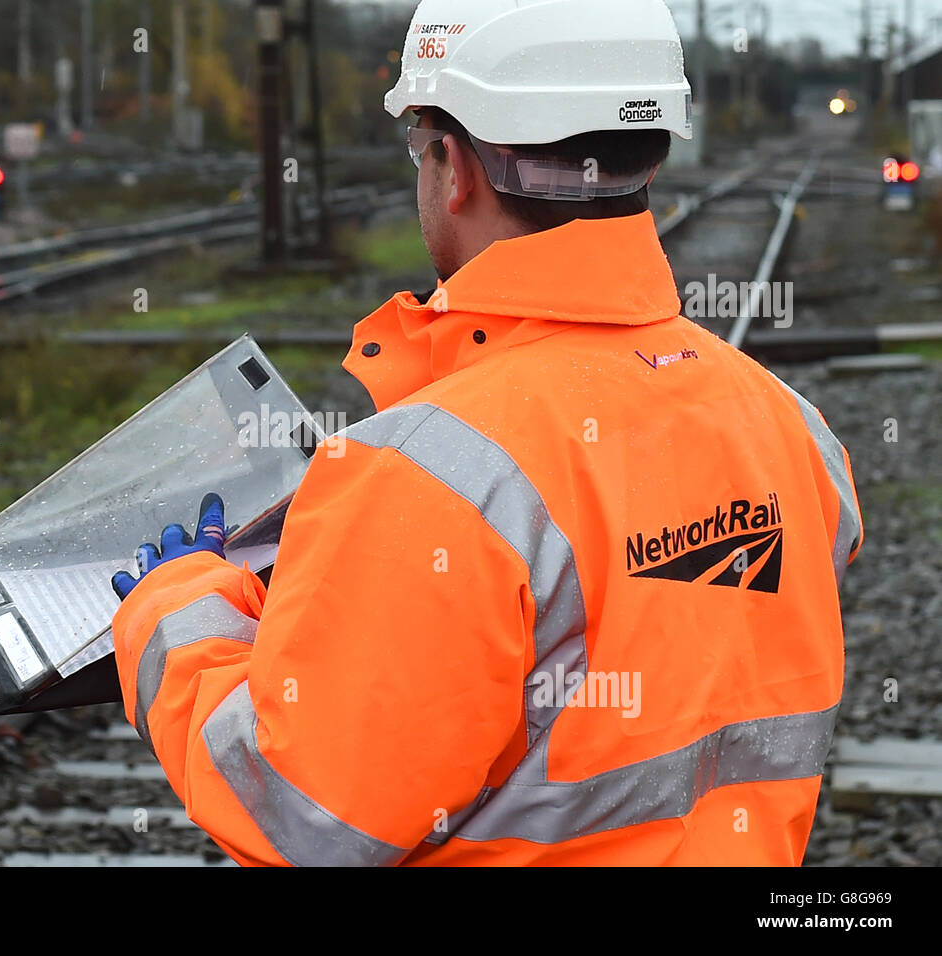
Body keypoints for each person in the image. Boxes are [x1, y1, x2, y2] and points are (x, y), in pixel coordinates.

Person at [107, 0, 862, 866]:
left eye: (421, 145)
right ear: (648, 156)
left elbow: (303, 816)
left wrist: (174, 607)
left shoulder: (428, 474)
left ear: (452, 166)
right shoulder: (793, 430)